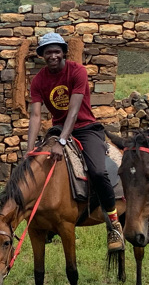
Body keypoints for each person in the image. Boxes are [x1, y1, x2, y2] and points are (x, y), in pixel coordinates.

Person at [25, 32, 124, 253]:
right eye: (48, 52)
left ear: (63, 53)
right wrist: (30, 148)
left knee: (98, 171)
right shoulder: (39, 80)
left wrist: (62, 142)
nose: (52, 56)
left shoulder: (77, 71)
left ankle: (113, 224)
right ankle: (48, 221)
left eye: (56, 51)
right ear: (42, 55)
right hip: (57, 129)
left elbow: (74, 109)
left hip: (86, 128)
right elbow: (35, 116)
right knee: (38, 169)